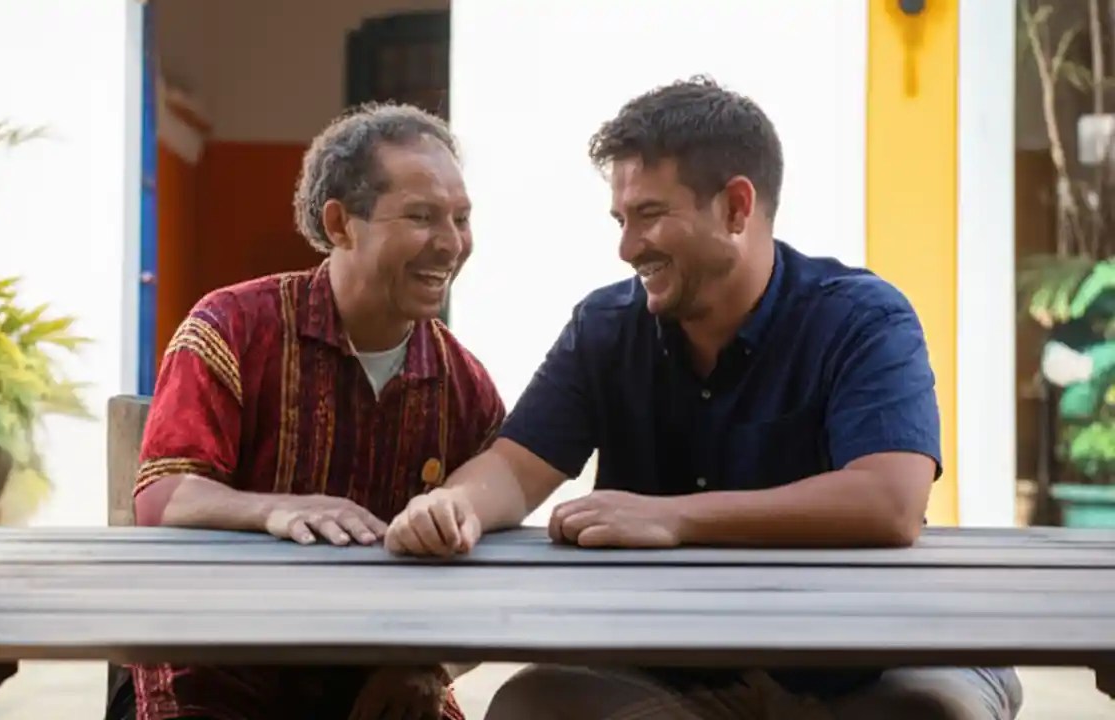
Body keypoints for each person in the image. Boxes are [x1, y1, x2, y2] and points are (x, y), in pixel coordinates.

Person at [384, 77, 1023, 720]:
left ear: (737, 208)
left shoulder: (862, 318)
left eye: (652, 215)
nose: (628, 247)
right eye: (622, 219)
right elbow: (515, 469)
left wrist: (675, 517)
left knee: (936, 714)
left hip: (872, 664)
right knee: (532, 707)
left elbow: (890, 502)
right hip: (679, 673)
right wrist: (453, 506)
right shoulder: (605, 328)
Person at [123, 102, 504, 720]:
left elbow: (493, 563)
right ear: (340, 223)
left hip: (387, 677)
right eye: (422, 216)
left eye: (461, 218)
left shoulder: (466, 387)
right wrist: (274, 509)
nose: (451, 243)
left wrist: (428, 668)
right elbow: (160, 496)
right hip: (217, 669)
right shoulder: (233, 327)